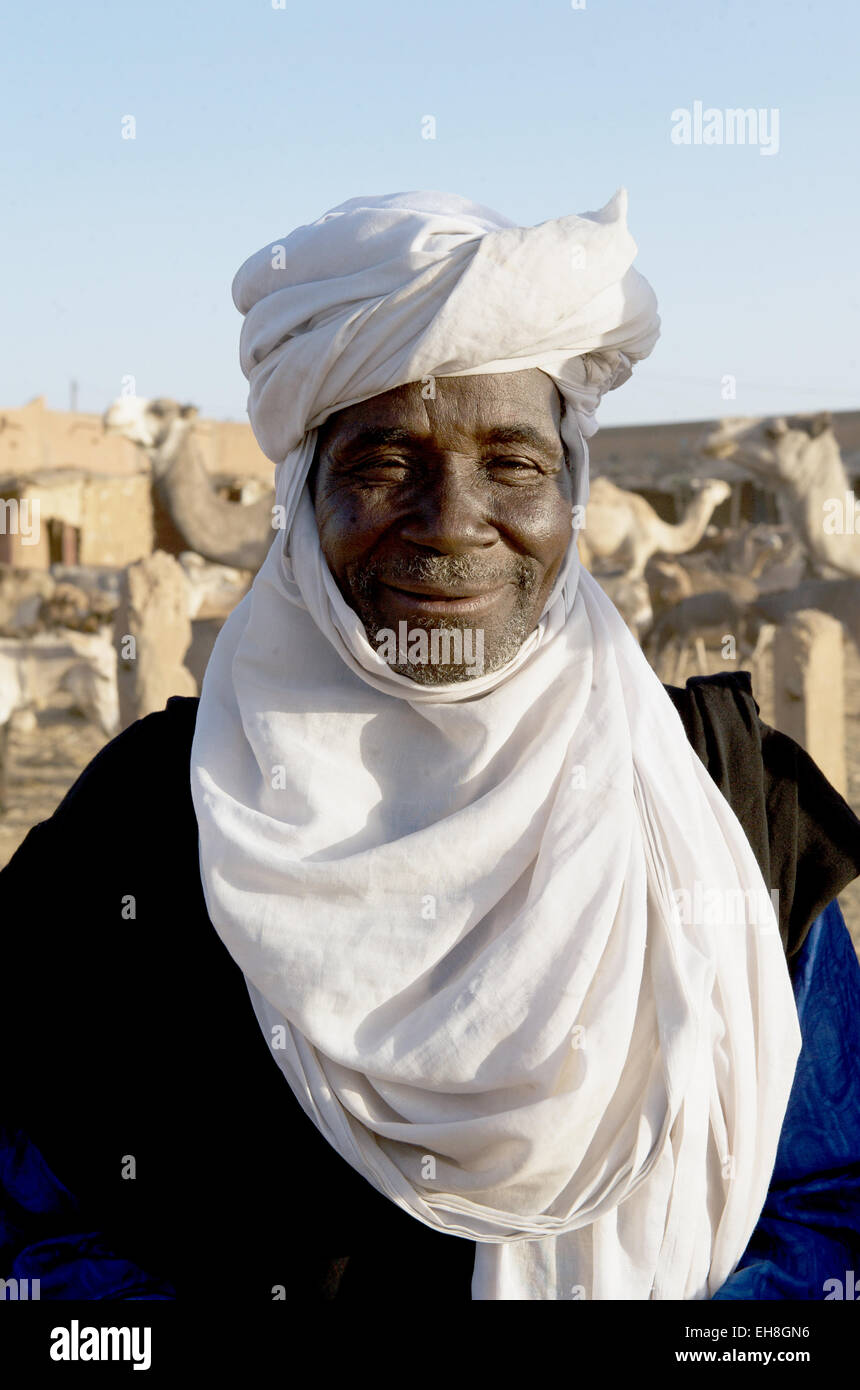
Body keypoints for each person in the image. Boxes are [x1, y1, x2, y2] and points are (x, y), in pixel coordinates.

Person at [1, 190, 859, 1303]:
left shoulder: (727, 808)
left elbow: (825, 1206)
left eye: (512, 463)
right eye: (383, 462)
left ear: (572, 490)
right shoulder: (144, 827)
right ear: (304, 496)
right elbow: (34, 1225)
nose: (452, 520)